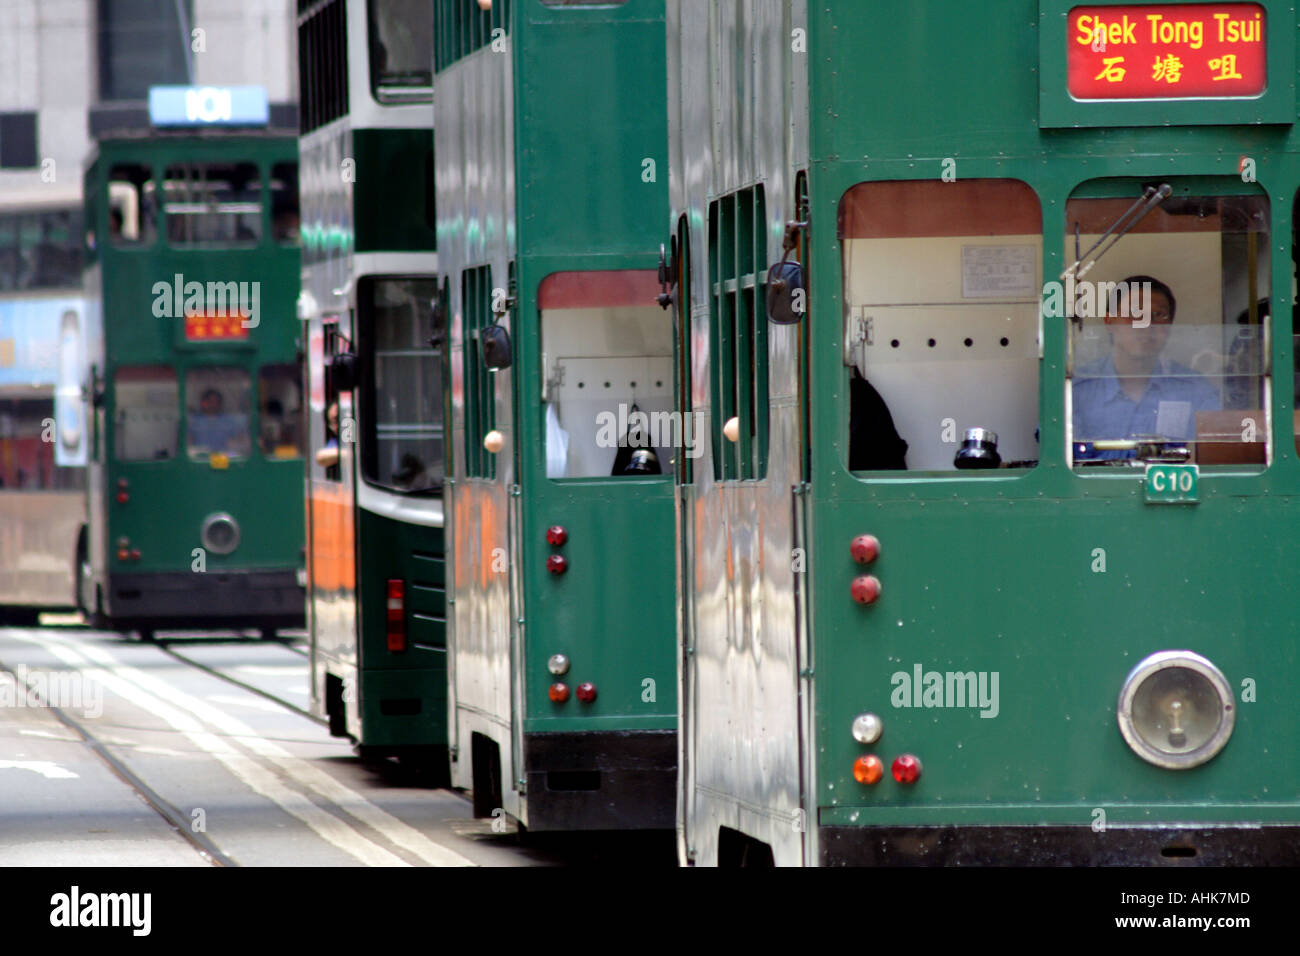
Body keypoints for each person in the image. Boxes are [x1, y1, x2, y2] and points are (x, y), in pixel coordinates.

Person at [1072, 276, 1220, 460]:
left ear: (1170, 326)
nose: (1146, 325)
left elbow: (1217, 454)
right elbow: (1061, 460)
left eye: (1159, 315)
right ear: (1109, 321)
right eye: (1134, 313)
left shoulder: (1194, 389)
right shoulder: (1076, 390)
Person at [189, 388, 245, 456]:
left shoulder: (229, 421)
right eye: (210, 401)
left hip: (223, 458)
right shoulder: (193, 421)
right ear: (203, 402)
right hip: (199, 457)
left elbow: (240, 438)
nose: (213, 404)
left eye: (216, 401)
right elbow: (188, 441)